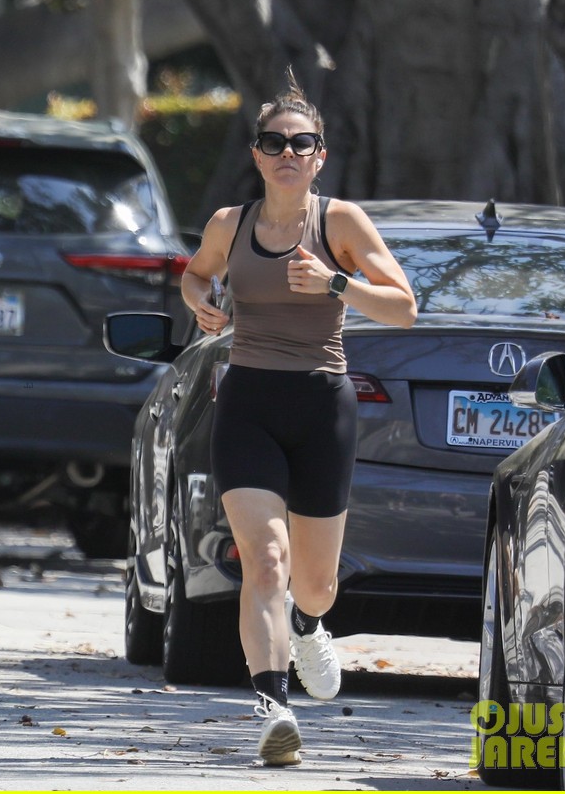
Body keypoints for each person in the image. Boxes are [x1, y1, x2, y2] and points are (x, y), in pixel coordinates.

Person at [181, 69, 416, 766]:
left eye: (301, 142)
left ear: (319, 155)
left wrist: (336, 282)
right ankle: (274, 706)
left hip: (322, 404)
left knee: (313, 581)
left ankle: (313, 623)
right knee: (266, 560)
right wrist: (201, 298)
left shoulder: (338, 222)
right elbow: (194, 272)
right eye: (273, 142)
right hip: (248, 400)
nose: (287, 153)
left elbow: (404, 306)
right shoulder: (232, 224)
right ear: (255, 154)